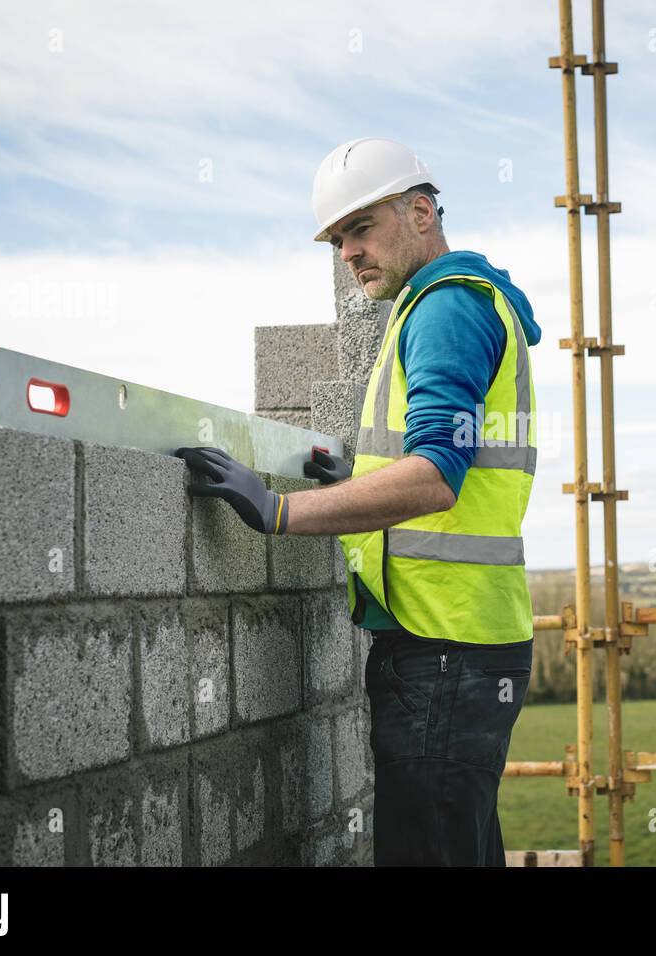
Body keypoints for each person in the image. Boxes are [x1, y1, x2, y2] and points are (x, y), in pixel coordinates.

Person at [175, 137, 541, 866]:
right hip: (461, 640)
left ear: (421, 211)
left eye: (362, 228)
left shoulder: (444, 310)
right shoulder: (446, 308)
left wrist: (279, 511)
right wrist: (344, 482)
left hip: (445, 650)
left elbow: (436, 473)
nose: (347, 253)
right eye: (338, 238)